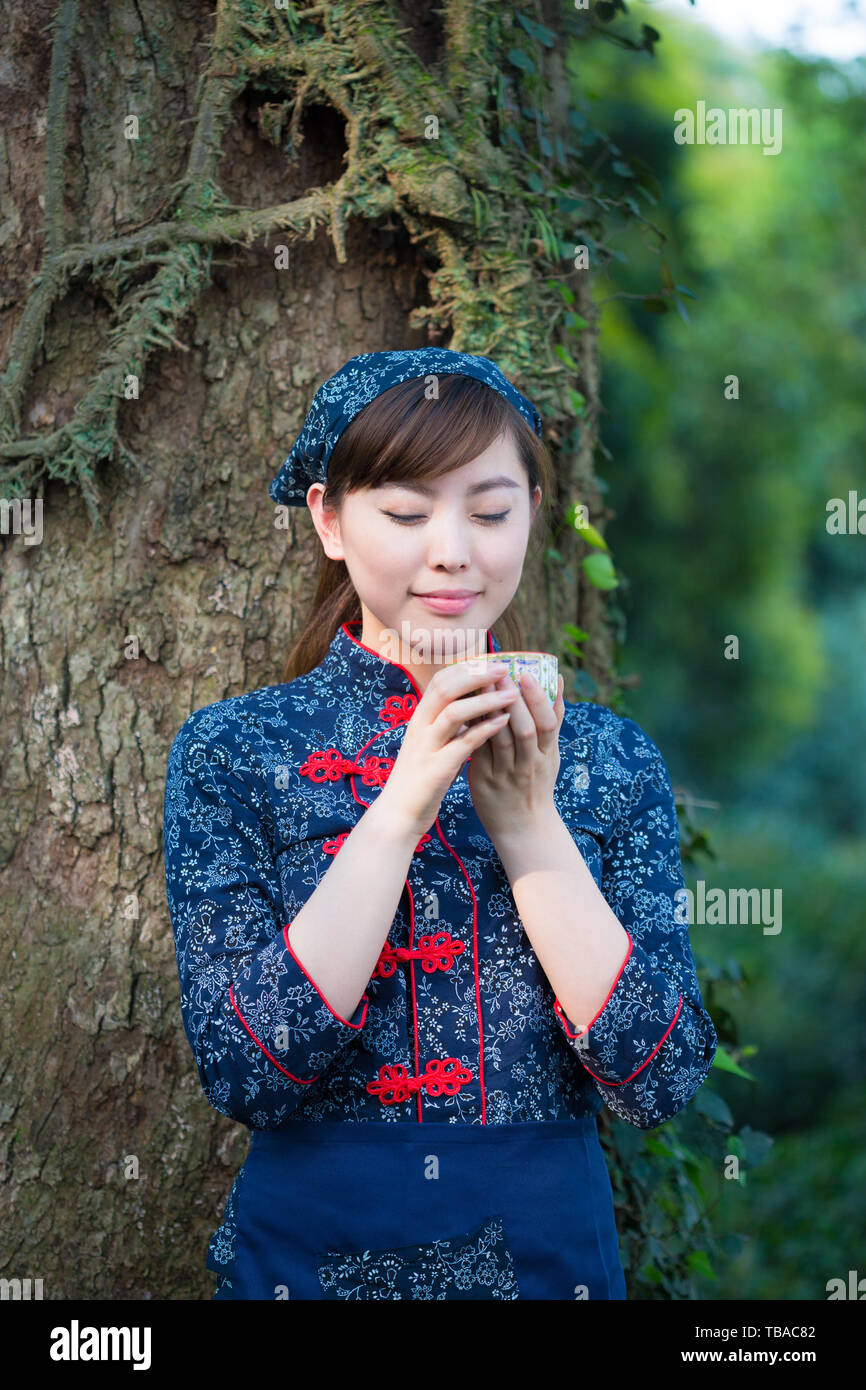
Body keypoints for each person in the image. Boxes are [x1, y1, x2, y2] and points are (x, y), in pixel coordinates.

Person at [162, 348, 718, 1301]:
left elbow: (657, 1081)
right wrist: (402, 808)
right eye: (408, 514)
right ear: (329, 521)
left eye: (492, 511)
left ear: (533, 516)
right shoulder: (234, 751)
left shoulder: (609, 759)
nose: (454, 549)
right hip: (313, 1260)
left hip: (548, 1259)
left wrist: (532, 826)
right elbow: (245, 1073)